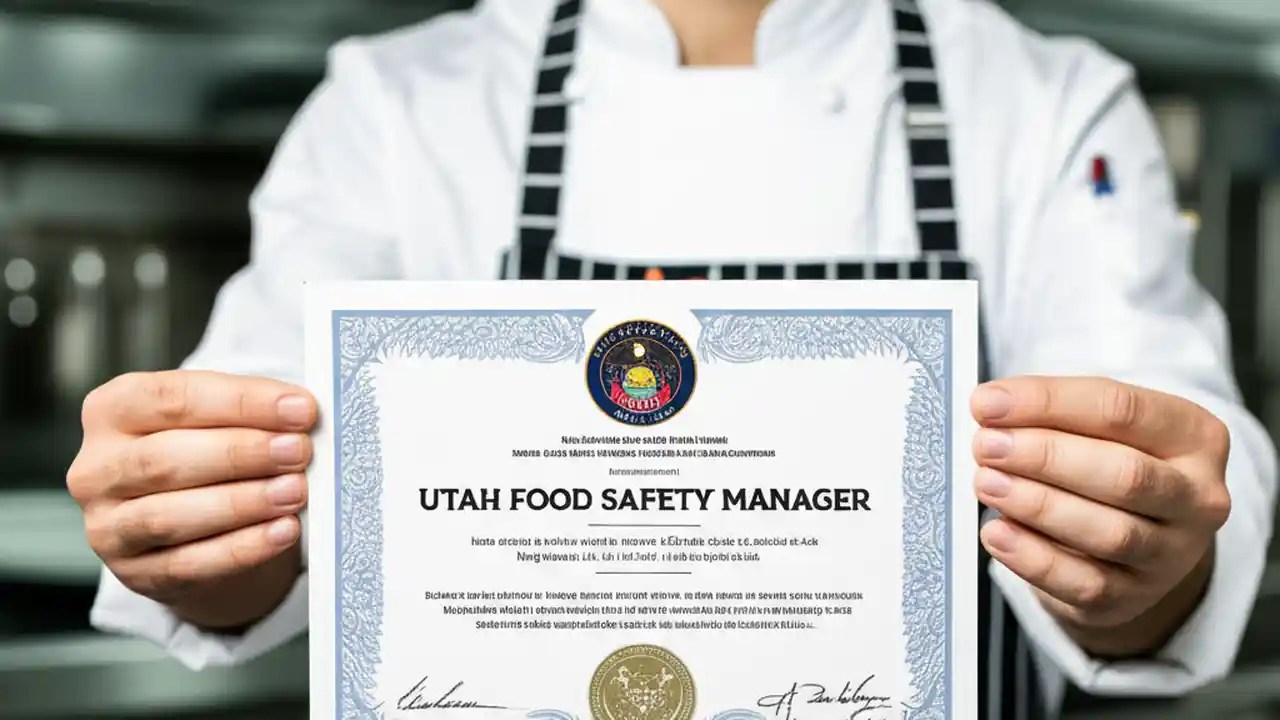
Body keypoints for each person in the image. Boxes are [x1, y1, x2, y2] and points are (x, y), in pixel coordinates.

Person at [66, 0, 1277, 717]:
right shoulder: (395, 104)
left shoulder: (1041, 98)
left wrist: (1140, 546)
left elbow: (1158, 513)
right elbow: (259, 516)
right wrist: (197, 525)